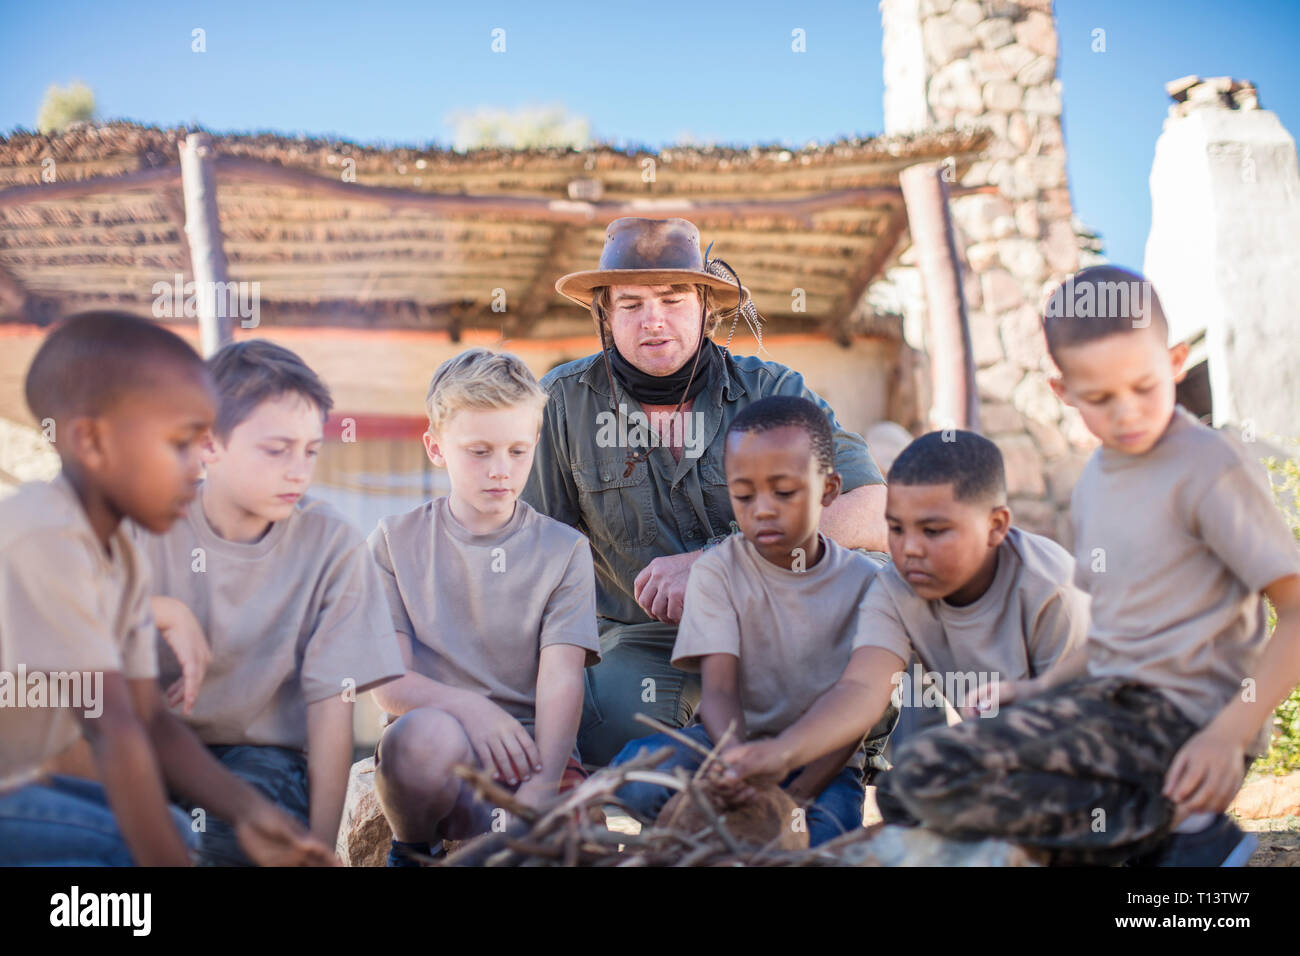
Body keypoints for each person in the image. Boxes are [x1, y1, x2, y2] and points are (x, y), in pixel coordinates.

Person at [869, 266, 1300, 865]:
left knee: (944, 781)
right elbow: (1112, 635)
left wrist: (1228, 735)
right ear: (1062, 390)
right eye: (1099, 398)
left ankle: (1194, 835)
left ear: (1175, 361)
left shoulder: (1209, 467)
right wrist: (1038, 689)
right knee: (912, 779)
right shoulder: (1095, 481)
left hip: (1191, 716)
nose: (1127, 413)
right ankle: (1158, 838)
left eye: (1144, 386)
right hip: (1108, 703)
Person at [521, 216, 891, 767]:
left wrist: (724, 562)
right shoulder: (562, 403)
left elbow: (872, 509)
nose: (653, 321)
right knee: (605, 730)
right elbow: (533, 557)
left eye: (673, 300)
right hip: (643, 641)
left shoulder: (771, 391)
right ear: (603, 312)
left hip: (774, 615)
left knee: (859, 618)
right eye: (630, 304)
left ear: (706, 307)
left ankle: (827, 772)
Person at [0, 311, 335, 866]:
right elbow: (113, 729)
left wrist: (252, 813)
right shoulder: (43, 535)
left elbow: (149, 717)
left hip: (19, 793)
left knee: (177, 830)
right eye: (180, 444)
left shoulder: (120, 555)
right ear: (91, 440)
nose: (196, 465)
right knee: (133, 851)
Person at [720, 430, 1090, 827]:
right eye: (897, 528)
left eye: (933, 531)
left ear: (995, 526)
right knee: (907, 788)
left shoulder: (1050, 588)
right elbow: (860, 691)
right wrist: (788, 771)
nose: (910, 548)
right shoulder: (898, 586)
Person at [131, 339, 406, 865]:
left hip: (261, 760)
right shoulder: (143, 521)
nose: (299, 471)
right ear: (209, 443)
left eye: (310, 450)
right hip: (142, 742)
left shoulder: (331, 545)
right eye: (276, 450)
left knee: (220, 844)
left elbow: (331, 712)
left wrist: (318, 851)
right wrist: (160, 611)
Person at [609, 396, 884, 845]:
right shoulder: (718, 571)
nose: (762, 509)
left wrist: (792, 795)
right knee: (633, 778)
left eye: (784, 491)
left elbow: (854, 716)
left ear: (830, 490)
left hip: (822, 763)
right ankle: (705, 835)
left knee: (824, 842)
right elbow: (717, 689)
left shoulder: (865, 586)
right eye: (744, 494)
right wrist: (738, 764)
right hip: (726, 745)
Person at [367, 348, 601, 866]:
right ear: (436, 447)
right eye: (479, 451)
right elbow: (386, 681)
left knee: (575, 842)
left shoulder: (563, 550)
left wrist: (544, 781)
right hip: (440, 753)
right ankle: (413, 851)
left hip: (529, 752)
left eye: (518, 452)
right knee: (422, 739)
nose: (501, 471)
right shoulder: (394, 541)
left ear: (535, 443)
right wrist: (471, 707)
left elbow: (562, 676)